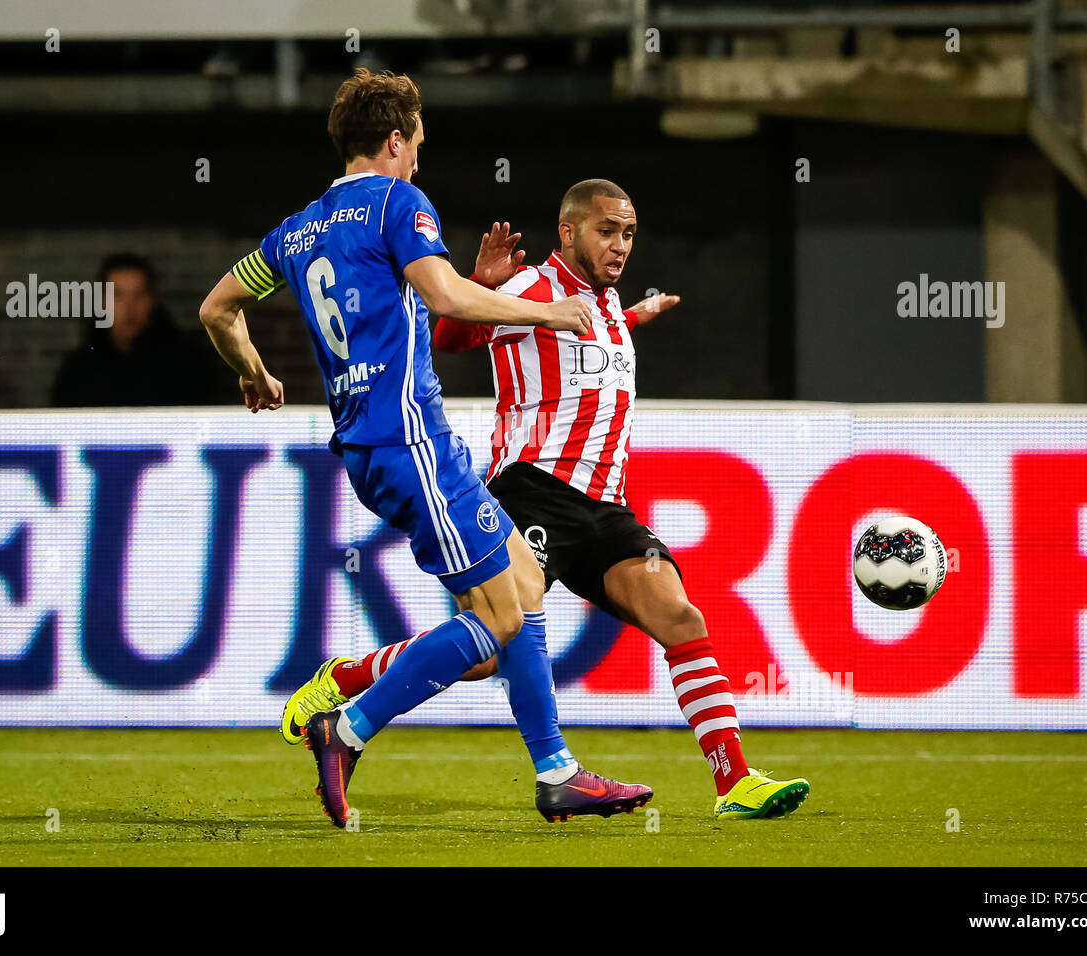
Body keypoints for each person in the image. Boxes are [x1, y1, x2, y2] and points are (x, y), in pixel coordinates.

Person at [197, 69, 651, 828]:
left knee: (525, 584)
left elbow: (219, 308)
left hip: (374, 444)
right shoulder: (397, 202)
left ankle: (556, 771)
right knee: (502, 616)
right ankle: (348, 724)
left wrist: (256, 374)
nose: (419, 161)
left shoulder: (297, 228)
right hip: (409, 440)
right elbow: (446, 298)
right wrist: (549, 313)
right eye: (417, 146)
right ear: (396, 140)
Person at [292, 180, 811, 821]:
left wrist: (636, 317)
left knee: (682, 620)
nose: (619, 245)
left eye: (628, 233)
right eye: (606, 231)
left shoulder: (610, 306)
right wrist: (480, 284)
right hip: (534, 493)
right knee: (487, 647)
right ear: (569, 232)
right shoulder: (534, 287)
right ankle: (354, 681)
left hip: (605, 510)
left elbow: (584, 359)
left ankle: (735, 783)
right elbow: (450, 336)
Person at [52, 252, 217, 407]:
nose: (129, 308)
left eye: (139, 295)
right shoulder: (78, 372)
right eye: (117, 295)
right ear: (102, 301)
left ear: (152, 300)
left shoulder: (186, 367)